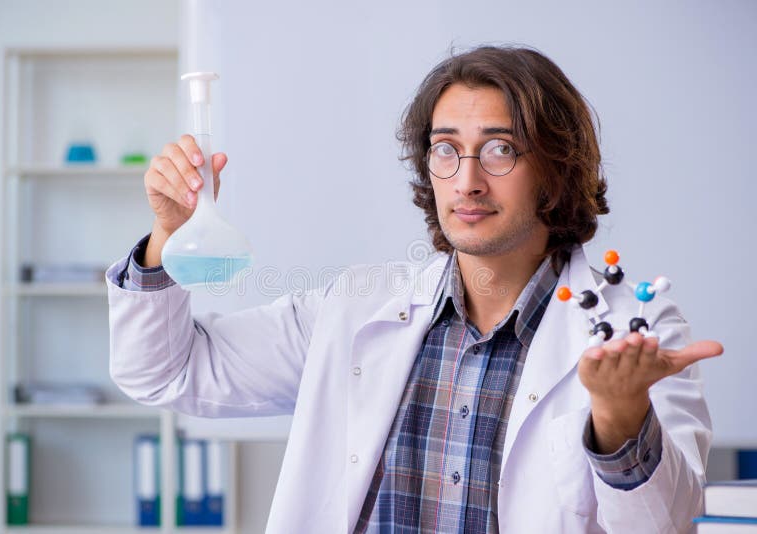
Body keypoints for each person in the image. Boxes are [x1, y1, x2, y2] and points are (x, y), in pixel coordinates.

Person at [107, 45, 723, 533]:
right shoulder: (353, 311)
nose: (468, 180)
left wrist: (619, 416)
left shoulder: (633, 330)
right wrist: (169, 235)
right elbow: (166, 371)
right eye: (446, 150)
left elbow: (666, 526)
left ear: (558, 174)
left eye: (501, 149)